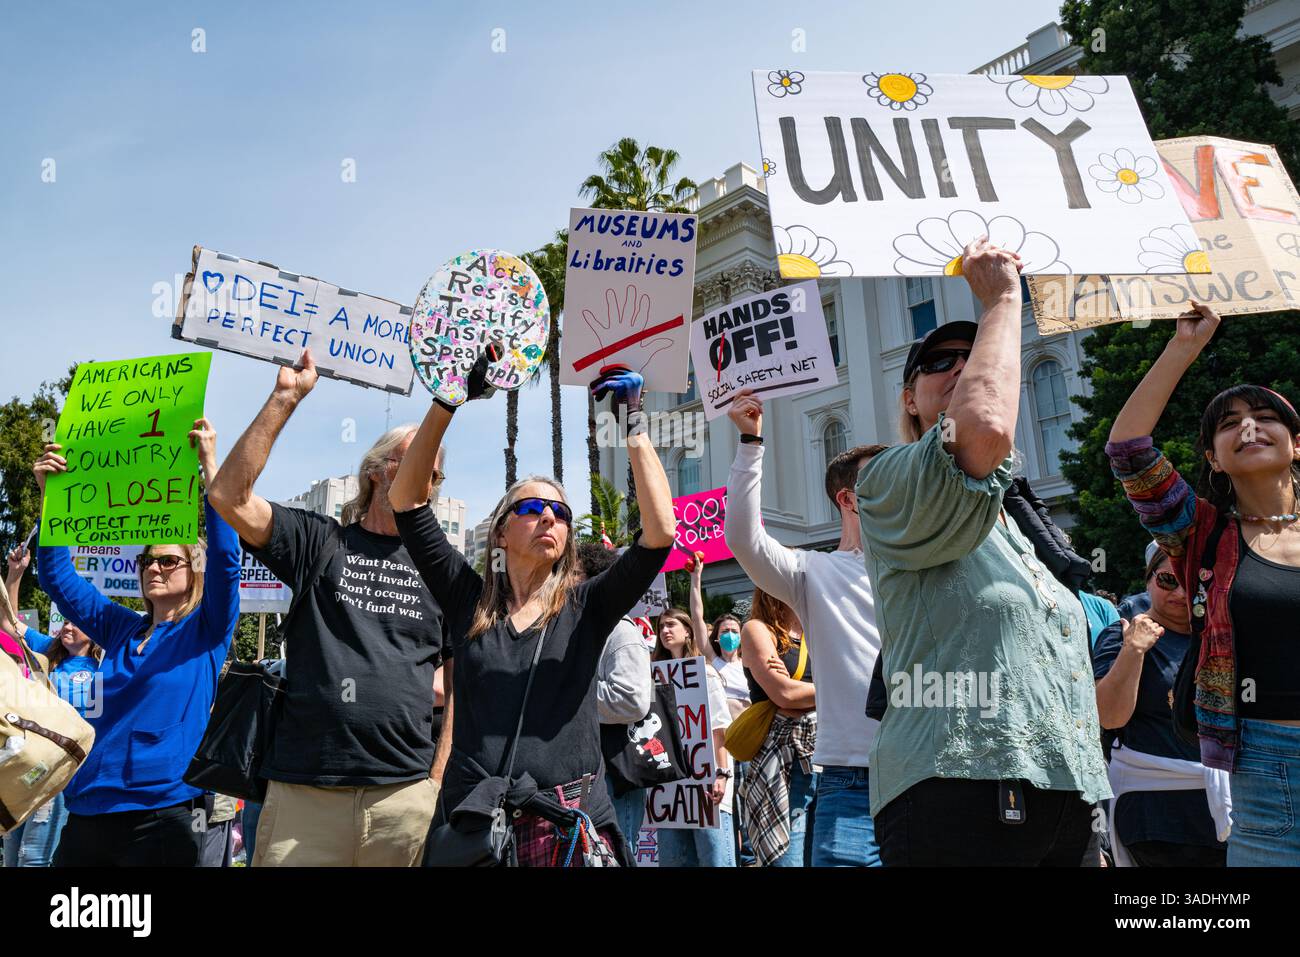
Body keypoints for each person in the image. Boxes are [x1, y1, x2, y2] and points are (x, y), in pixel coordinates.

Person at [856, 237, 1109, 866]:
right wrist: (1001, 298)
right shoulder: (887, 481)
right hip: (958, 795)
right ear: (910, 398)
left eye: (975, 356)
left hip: (1068, 798)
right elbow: (984, 428)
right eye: (942, 361)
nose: (965, 367)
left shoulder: (1023, 528)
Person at [389, 360, 674, 867]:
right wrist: (448, 399)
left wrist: (633, 419)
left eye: (560, 513)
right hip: (477, 829)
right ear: (499, 532)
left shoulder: (588, 607)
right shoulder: (467, 599)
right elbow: (408, 501)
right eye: (530, 508)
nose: (548, 516)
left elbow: (659, 537)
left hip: (568, 827)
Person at [207, 348, 447, 867]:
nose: (428, 475)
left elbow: (464, 683)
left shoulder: (441, 569)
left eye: (436, 472)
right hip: (305, 795)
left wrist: (436, 781)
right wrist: (285, 398)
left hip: (403, 799)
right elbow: (229, 496)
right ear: (379, 472)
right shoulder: (319, 542)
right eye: (417, 460)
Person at [1107, 301, 1300, 865]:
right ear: (1214, 460)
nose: (1247, 425)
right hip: (1265, 767)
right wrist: (1184, 347)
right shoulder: (1203, 536)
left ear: (1295, 442)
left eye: (1264, 416)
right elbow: (1129, 450)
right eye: (1226, 423)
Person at [32, 419, 240, 867]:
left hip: (164, 812)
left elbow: (225, 560)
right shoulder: (121, 628)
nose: (155, 567)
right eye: (148, 559)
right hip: (88, 807)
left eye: (169, 560)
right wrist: (53, 497)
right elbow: (58, 578)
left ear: (193, 571)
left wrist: (209, 468)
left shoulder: (206, 631)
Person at [724, 389, 886, 867]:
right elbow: (743, 538)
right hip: (851, 782)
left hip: (930, 777)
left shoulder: (925, 565)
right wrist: (751, 441)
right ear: (849, 500)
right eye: (889, 482)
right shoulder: (813, 571)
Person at [1093, 543, 1228, 867]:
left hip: (1226, 810)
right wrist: (1134, 651)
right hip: (1157, 817)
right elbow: (1109, 717)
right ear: (1149, 578)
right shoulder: (1123, 634)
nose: (1181, 593)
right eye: (1168, 580)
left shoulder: (1220, 636)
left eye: (1193, 583)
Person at [1, 545, 102, 867]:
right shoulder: (49, 652)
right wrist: (15, 575)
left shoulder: (109, 662)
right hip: (37, 762)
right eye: (65, 622)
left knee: (34, 856)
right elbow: (9, 624)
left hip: (69, 769)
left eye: (78, 622)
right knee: (13, 846)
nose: (68, 627)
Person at [577, 540, 654, 859]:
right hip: (591, 773)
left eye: (571, 574)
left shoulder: (620, 633)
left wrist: (569, 695)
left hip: (614, 777)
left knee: (615, 854)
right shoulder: (583, 631)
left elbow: (631, 700)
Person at [651, 609, 737, 868]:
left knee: (714, 856)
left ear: (687, 630)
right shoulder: (653, 677)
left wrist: (720, 773)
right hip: (670, 786)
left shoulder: (707, 673)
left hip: (707, 779)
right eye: (661, 627)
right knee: (674, 859)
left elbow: (719, 726)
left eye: (671, 625)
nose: (665, 631)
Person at [738, 587, 816, 867]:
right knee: (789, 856)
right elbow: (784, 694)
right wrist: (835, 688)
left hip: (826, 755)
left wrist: (803, 692)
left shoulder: (816, 628)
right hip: (783, 759)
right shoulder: (757, 630)